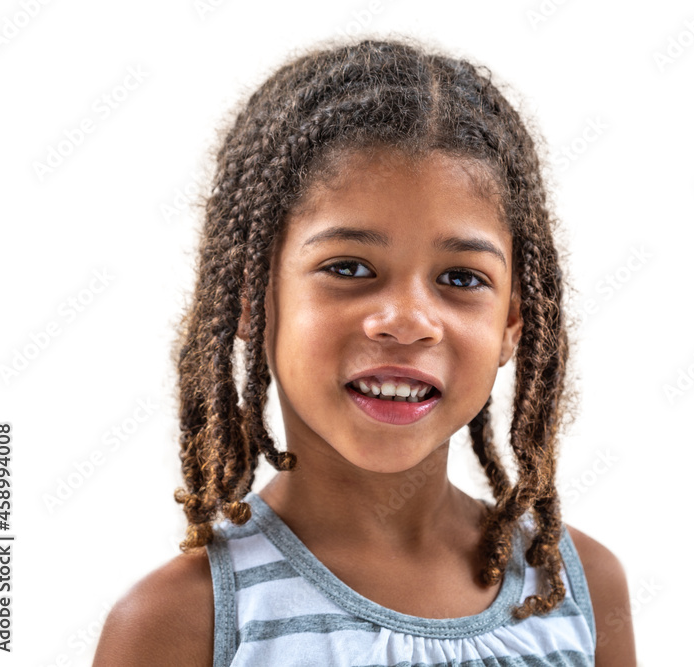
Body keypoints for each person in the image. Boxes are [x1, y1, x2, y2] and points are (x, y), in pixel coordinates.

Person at [93, 35, 635, 666]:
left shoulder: (578, 588)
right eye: (349, 267)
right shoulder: (183, 621)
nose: (407, 323)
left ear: (513, 322)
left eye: (461, 278)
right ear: (250, 296)